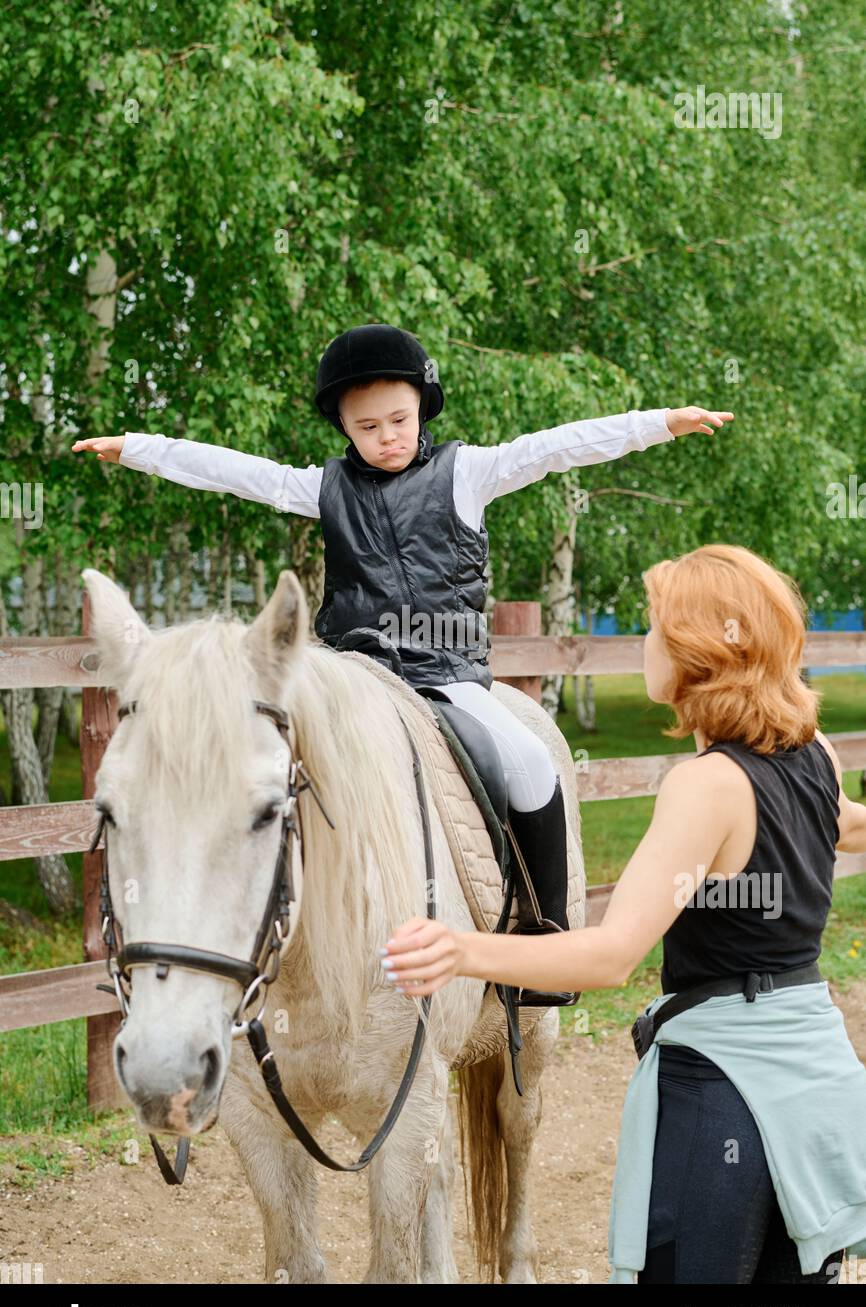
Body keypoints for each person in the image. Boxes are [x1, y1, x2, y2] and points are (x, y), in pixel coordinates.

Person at [70, 321, 732, 1007]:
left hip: (447, 676)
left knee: (532, 765)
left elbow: (560, 447)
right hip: (353, 676)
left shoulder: (469, 474)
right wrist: (137, 450)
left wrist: (663, 423)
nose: (387, 436)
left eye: (399, 419)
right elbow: (232, 472)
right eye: (367, 427)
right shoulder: (320, 487)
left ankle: (543, 939)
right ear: (344, 430)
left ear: (422, 409)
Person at [379, 542, 866, 1284]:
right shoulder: (814, 754)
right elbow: (843, 823)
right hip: (817, 1082)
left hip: (727, 1091)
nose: (644, 643)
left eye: (655, 626)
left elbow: (610, 956)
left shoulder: (706, 788)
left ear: (699, 648)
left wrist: (460, 949)